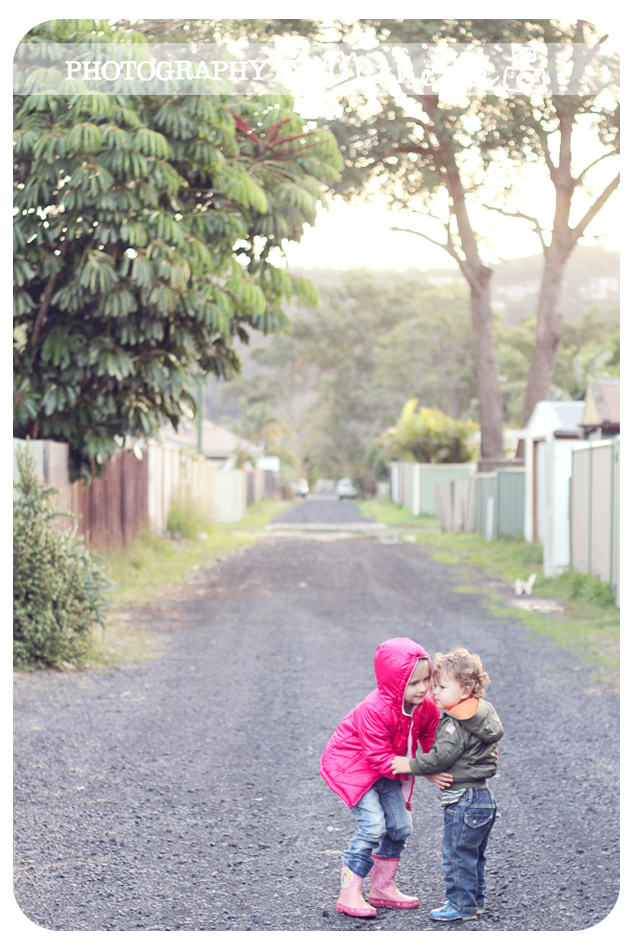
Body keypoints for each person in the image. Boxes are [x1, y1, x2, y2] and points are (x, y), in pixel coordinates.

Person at [320, 637, 453, 918]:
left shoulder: (426, 706)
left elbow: (429, 738)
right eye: (412, 683)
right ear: (394, 682)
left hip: (391, 766)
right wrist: (425, 771)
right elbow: (380, 760)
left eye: (425, 680)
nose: (422, 688)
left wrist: (439, 763)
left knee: (400, 826)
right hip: (355, 766)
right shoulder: (374, 709)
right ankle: (348, 893)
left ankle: (381, 888)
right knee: (373, 825)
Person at [391, 647, 503, 921]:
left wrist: (409, 764)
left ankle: (460, 905)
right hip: (483, 797)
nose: (434, 692)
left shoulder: (456, 723)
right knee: (473, 855)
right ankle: (475, 901)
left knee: (456, 854)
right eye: (434, 686)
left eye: (441, 687)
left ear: (464, 690)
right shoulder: (481, 714)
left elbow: (440, 757)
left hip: (463, 799)